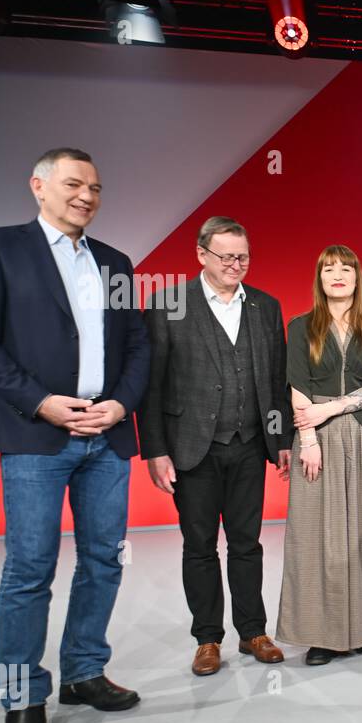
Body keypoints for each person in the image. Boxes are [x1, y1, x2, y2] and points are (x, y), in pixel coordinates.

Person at [0, 148, 149, 723]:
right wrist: (40, 402)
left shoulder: (115, 261)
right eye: (73, 184)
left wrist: (120, 405)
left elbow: (140, 344)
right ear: (37, 186)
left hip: (106, 435)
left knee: (103, 561)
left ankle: (84, 672)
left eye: (95, 187)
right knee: (29, 570)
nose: (86, 196)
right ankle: (22, 700)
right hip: (37, 436)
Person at [138, 217, 291, 677]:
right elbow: (153, 386)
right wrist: (155, 451)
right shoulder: (168, 305)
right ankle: (207, 638)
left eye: (242, 256)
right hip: (191, 448)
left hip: (249, 445)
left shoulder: (266, 306)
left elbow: (277, 379)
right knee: (199, 546)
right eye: (226, 256)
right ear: (201, 254)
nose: (235, 264)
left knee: (247, 544)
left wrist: (280, 438)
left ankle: (253, 631)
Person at [277, 246, 362, 664]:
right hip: (316, 437)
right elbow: (296, 385)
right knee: (317, 536)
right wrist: (308, 438)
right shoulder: (300, 327)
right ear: (320, 278)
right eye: (329, 269)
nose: (338, 275)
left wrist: (328, 408)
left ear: (357, 276)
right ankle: (321, 635)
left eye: (346, 268)